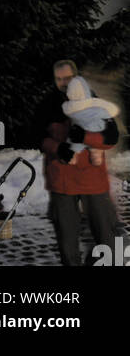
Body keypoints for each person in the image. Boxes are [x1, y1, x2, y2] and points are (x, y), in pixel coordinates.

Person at [35, 57, 120, 266]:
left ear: (77, 77)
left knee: (105, 234)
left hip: (93, 179)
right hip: (62, 180)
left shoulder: (94, 101)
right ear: (54, 80)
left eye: (69, 78)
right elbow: (36, 138)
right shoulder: (47, 105)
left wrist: (85, 138)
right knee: (67, 238)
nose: (64, 83)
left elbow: (111, 139)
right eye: (59, 79)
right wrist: (58, 148)